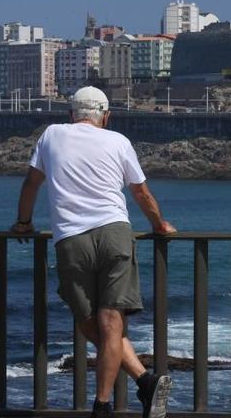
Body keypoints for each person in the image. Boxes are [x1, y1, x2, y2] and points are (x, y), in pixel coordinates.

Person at [11, 86, 176, 418]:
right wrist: (159, 225)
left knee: (91, 322)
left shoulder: (52, 134)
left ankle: (102, 405)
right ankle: (144, 382)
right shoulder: (118, 141)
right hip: (115, 232)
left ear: (72, 114)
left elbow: (31, 182)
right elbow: (141, 192)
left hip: (70, 238)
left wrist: (23, 223)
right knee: (108, 323)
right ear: (106, 115)